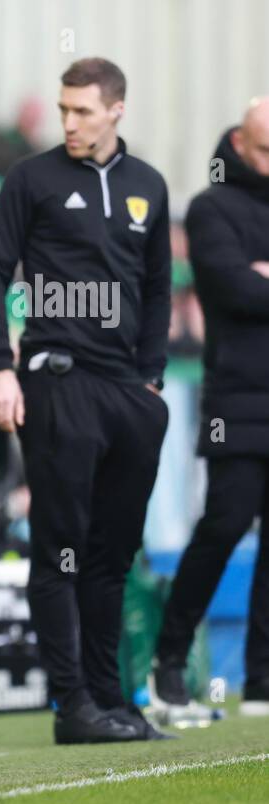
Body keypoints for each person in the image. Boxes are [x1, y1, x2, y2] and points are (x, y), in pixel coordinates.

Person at [0, 58, 172, 744]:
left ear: (117, 109)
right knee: (59, 549)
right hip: (57, 383)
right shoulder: (32, 178)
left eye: (83, 111)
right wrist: (2, 367)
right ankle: (72, 707)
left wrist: (152, 378)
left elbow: (157, 288)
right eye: (63, 110)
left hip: (129, 393)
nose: (70, 123)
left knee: (114, 555)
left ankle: (113, 700)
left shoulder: (149, 185)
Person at [152, 98, 269, 721]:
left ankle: (263, 684)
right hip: (238, 397)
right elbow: (235, 289)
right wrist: (254, 280)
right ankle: (168, 660)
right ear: (240, 143)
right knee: (223, 525)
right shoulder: (210, 206)